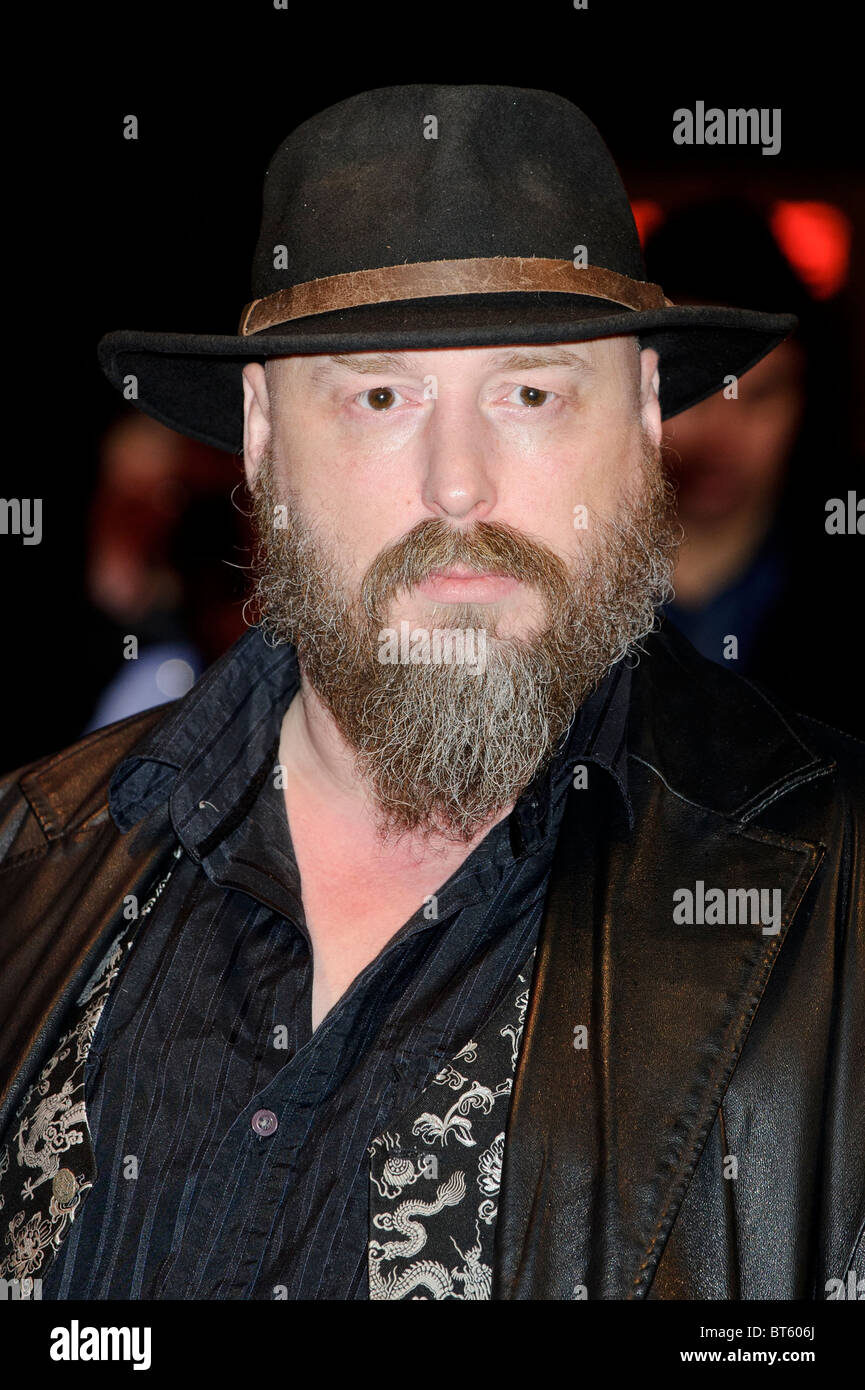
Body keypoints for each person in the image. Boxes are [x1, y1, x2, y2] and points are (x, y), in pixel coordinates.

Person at [0, 84, 862, 1302]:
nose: (457, 488)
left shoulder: (839, 908)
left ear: (646, 418)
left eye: (528, 392)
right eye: (380, 395)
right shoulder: (31, 853)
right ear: (259, 434)